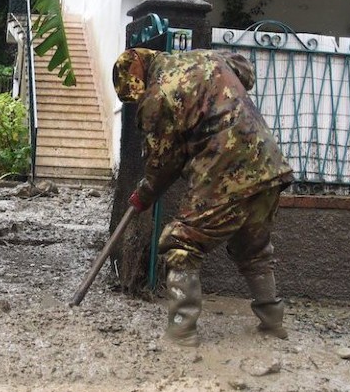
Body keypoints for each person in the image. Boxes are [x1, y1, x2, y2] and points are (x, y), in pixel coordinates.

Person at [113, 47, 294, 347]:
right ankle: (274, 324)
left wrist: (144, 194)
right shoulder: (206, 57)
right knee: (253, 247)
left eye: (135, 96)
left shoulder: (159, 95)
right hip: (269, 165)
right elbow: (244, 70)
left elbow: (163, 163)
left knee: (181, 243)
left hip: (226, 171)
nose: (138, 101)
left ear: (138, 78)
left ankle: (181, 332)